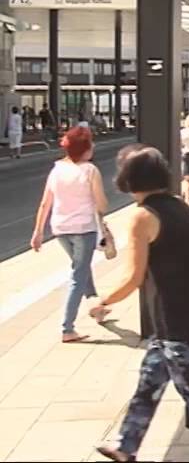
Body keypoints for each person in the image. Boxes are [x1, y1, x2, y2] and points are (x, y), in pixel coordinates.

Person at [91, 145, 189, 463]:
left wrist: (103, 302)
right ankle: (127, 445)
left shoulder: (142, 217)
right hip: (186, 312)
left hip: (173, 319)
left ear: (128, 178)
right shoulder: (180, 206)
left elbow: (133, 276)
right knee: (149, 383)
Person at [30, 126, 110, 343]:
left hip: (60, 229)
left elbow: (45, 202)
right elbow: (102, 204)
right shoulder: (90, 171)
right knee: (78, 274)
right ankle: (67, 328)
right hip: (83, 228)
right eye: (90, 144)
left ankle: (97, 307)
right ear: (85, 149)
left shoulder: (56, 170)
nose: (93, 147)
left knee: (81, 267)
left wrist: (38, 232)